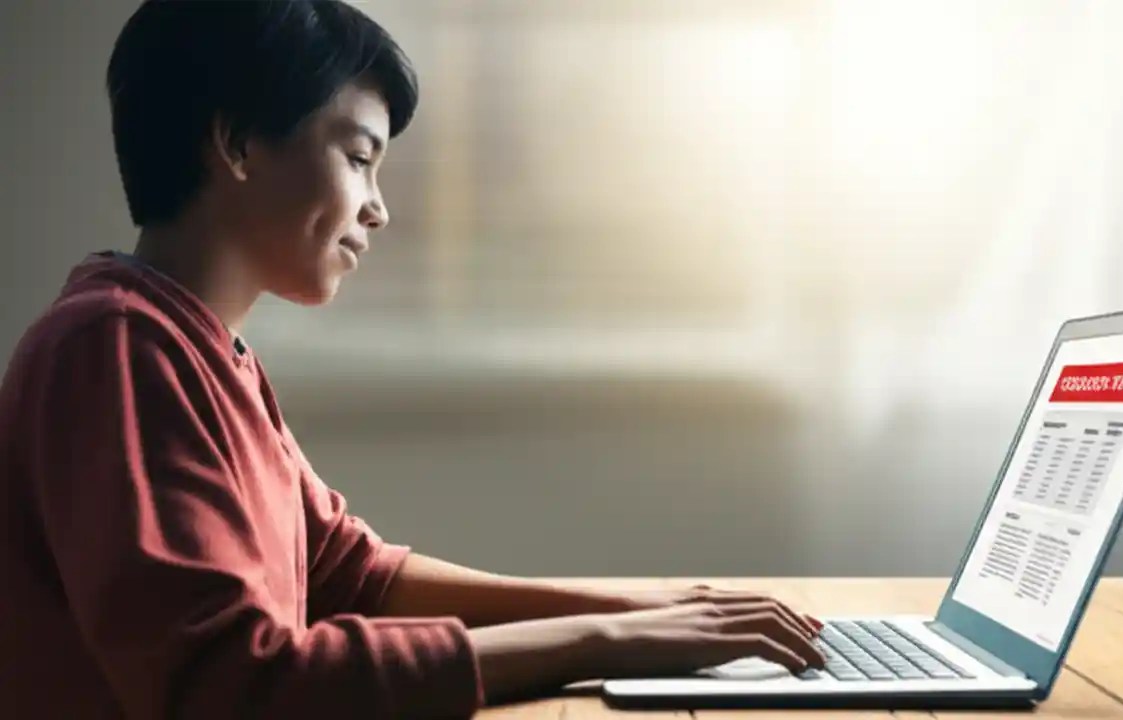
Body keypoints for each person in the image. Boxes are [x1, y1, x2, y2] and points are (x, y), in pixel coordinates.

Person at [0, 1, 826, 717]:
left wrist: (643, 609)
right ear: (238, 144)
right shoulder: (113, 350)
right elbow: (227, 687)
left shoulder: (197, 348)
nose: (379, 209)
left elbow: (349, 576)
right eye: (359, 158)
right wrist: (599, 640)